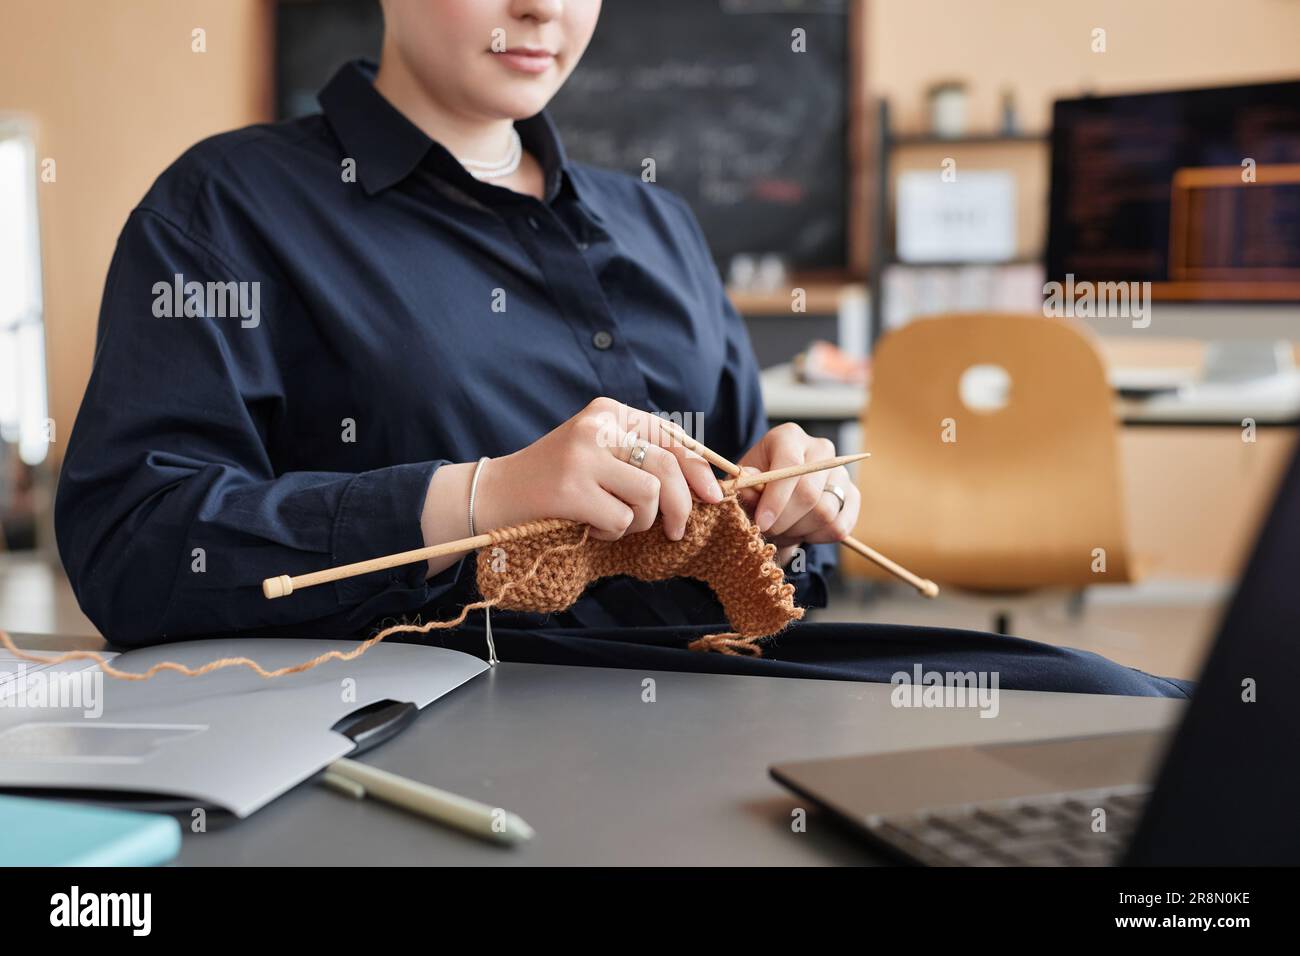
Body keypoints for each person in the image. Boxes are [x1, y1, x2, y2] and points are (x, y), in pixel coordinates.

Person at [54, 0, 1189, 697]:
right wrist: (479, 498)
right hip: (449, 712)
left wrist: (793, 506)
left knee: (1110, 699)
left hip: (724, 694)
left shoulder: (657, 224)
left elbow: (777, 565)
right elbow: (134, 548)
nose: (541, 6)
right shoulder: (227, 207)